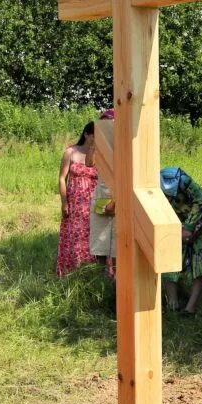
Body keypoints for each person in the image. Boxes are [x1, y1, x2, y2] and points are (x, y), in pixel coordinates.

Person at [160, 167, 202, 318]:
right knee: (168, 257)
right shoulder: (153, 182)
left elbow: (201, 199)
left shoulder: (184, 181)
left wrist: (188, 227)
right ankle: (172, 304)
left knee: (201, 261)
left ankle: (190, 309)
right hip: (175, 220)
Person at [57, 122, 99, 276]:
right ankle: (72, 270)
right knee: (74, 234)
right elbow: (62, 179)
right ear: (86, 134)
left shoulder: (100, 154)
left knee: (92, 234)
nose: (96, 138)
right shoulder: (71, 152)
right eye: (94, 135)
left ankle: (90, 271)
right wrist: (64, 202)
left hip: (93, 202)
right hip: (75, 202)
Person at [88, 109, 117, 278]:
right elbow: (89, 163)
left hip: (118, 197)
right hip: (101, 195)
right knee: (99, 241)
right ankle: (101, 279)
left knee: (117, 245)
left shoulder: (124, 146)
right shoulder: (100, 146)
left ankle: (117, 280)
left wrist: (115, 202)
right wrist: (94, 143)